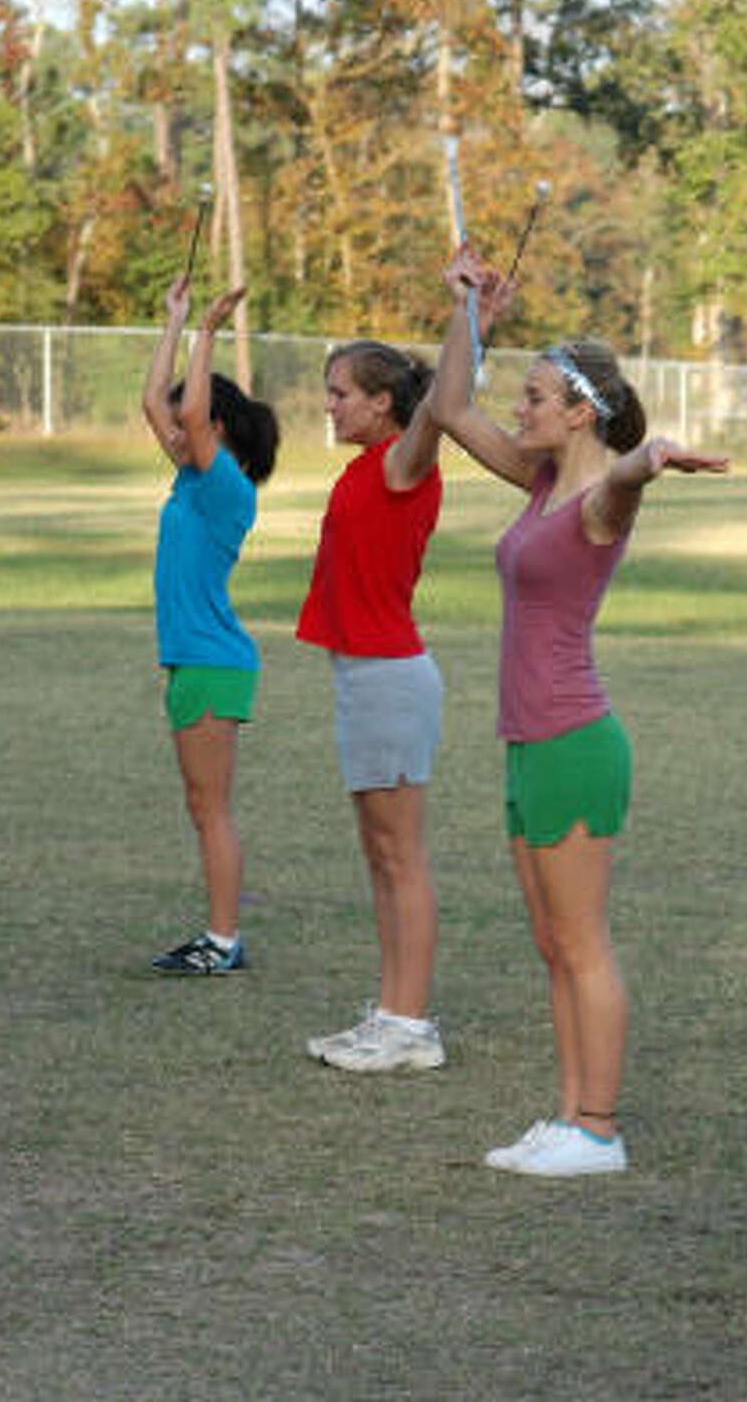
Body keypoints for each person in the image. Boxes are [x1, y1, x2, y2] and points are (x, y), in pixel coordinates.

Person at [429, 246, 729, 1177]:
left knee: (582, 943)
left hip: (573, 740)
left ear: (579, 411)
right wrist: (471, 314)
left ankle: (598, 1126)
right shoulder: (541, 480)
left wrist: (648, 457)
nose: (519, 409)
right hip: (530, 740)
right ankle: (566, 1117)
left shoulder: (599, 498)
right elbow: (447, 409)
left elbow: (628, 478)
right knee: (551, 941)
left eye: (534, 397)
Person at [297, 340, 447, 1074]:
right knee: (380, 855)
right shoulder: (364, 467)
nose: (329, 405)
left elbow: (442, 404)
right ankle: (391, 1013)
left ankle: (411, 1026)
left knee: (401, 857)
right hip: (364, 676)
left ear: (382, 402)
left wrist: (470, 317)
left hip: (390, 678)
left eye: (340, 392)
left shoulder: (403, 462)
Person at [142, 274, 279, 974]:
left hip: (212, 660)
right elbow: (154, 403)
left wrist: (207, 331)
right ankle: (221, 935)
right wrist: (175, 316)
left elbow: (189, 415)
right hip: (195, 661)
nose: (172, 429)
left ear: (215, 427)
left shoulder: (224, 482)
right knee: (203, 806)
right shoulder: (192, 479)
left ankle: (223, 940)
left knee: (210, 808)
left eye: (188, 423)